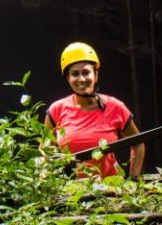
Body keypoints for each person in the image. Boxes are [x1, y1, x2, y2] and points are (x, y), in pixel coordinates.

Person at [44, 42, 145, 179]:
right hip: (70, 192)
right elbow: (45, 149)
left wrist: (133, 180)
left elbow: (138, 144)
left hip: (109, 191)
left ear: (95, 75)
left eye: (86, 72)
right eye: (75, 74)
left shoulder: (115, 107)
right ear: (68, 78)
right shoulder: (56, 110)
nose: (81, 79)